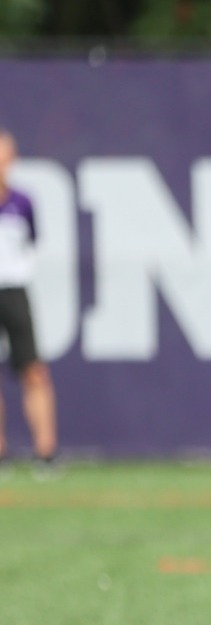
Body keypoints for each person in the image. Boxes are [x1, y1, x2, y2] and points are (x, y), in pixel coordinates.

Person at [0, 130, 57, 472]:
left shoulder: (22, 203)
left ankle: (45, 452)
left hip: (15, 291)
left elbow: (32, 245)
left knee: (33, 371)